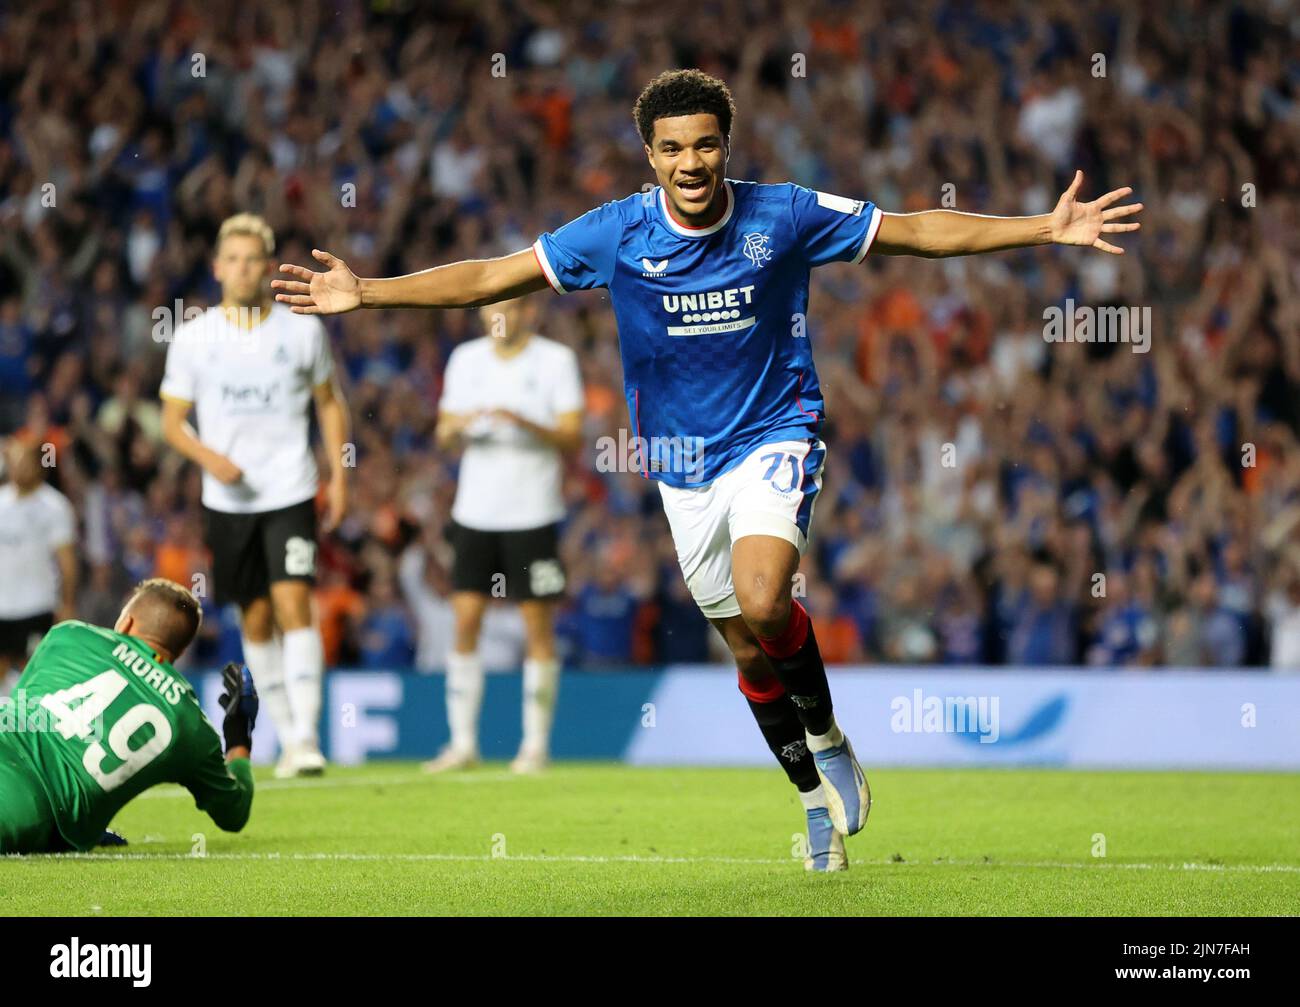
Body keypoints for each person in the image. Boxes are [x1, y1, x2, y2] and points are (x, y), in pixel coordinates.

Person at [273, 69, 1142, 871]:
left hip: (775, 430)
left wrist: (1045, 226)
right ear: (649, 155)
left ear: (728, 142)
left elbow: (914, 230)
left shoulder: (784, 214)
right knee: (741, 640)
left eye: (706, 143)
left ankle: (830, 737)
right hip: (682, 466)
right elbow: (493, 276)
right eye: (673, 148)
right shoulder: (614, 233)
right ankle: (807, 794)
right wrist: (372, 291)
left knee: (767, 598)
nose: (692, 162)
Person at [161, 213, 350, 778]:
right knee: (256, 615)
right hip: (228, 501)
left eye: (253, 260)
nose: (243, 270)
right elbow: (172, 422)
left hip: (290, 489)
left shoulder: (301, 330)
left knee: (295, 602)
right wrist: (209, 458)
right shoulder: (195, 338)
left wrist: (340, 474)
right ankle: (288, 733)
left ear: (267, 268)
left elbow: (331, 402)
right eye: (233, 260)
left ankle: (305, 740)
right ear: (218, 267)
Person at [422, 297, 582, 774]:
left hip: (533, 512)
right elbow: (443, 433)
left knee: (538, 626)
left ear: (529, 312)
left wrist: (523, 421)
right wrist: (462, 425)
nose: (499, 319)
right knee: (465, 620)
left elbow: (572, 437)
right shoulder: (465, 360)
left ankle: (534, 746)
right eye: (491, 311)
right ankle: (463, 744)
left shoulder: (556, 360)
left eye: (510, 309)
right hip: (474, 512)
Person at [0, 578, 257, 854]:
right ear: (178, 652)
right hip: (28, 804)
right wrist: (238, 735)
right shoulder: (188, 722)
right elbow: (234, 811)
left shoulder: (68, 634)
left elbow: (20, 709)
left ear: (127, 623)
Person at [0, 437, 77, 690]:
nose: (18, 467)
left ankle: (31, 727)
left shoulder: (54, 507)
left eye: (25, 461)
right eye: (15, 460)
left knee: (33, 677)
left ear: (39, 465)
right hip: (2, 606)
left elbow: (67, 562)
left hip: (36, 606)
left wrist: (66, 604)